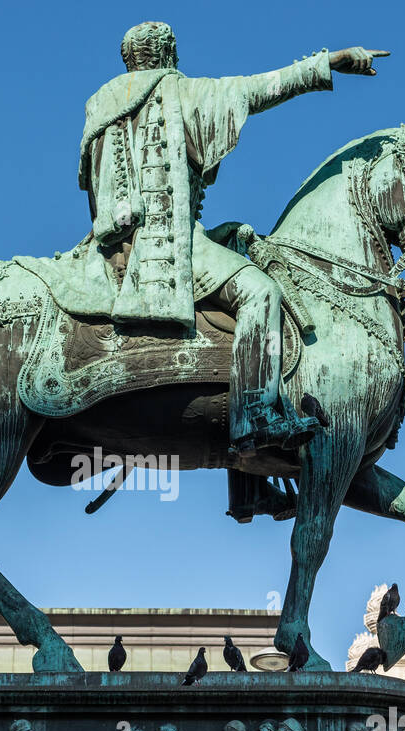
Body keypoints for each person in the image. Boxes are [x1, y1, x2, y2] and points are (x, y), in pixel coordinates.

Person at [73, 22, 388, 457]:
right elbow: (262, 89)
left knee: (241, 240)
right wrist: (328, 62)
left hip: (106, 248)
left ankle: (251, 486)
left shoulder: (99, 108)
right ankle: (255, 415)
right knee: (260, 292)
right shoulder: (178, 90)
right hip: (166, 247)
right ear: (169, 56)